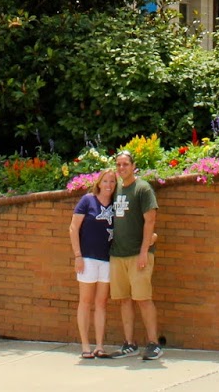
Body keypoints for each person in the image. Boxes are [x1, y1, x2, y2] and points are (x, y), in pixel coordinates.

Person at [109, 150, 161, 360]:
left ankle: (154, 343)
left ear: (133, 166)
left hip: (139, 255)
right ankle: (130, 343)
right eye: (119, 165)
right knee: (124, 300)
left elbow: (150, 221)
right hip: (118, 255)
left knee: (143, 299)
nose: (122, 168)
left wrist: (143, 252)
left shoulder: (143, 189)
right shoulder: (116, 188)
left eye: (125, 164)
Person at [69, 171, 117, 359]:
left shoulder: (116, 205)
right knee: (86, 301)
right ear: (99, 182)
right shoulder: (87, 200)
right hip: (87, 258)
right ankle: (85, 346)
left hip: (107, 259)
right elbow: (73, 228)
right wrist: (77, 255)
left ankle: (99, 346)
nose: (109, 184)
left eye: (112, 181)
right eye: (105, 180)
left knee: (101, 303)